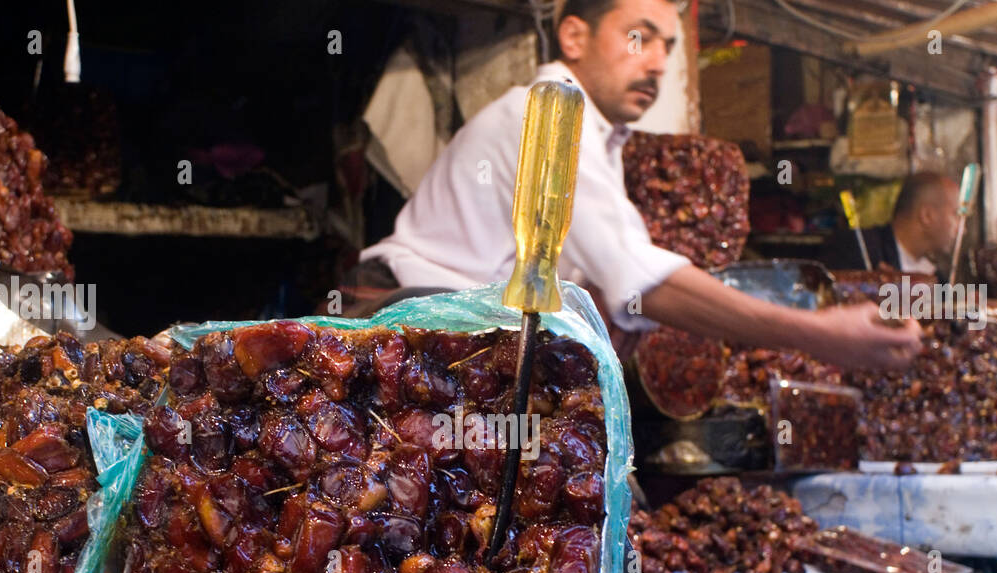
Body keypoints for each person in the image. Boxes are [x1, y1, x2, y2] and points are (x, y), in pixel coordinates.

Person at [359, 0, 921, 369]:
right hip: (407, 331)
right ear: (573, 37)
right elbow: (641, 282)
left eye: (667, 48)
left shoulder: (601, 140)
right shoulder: (544, 115)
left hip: (464, 341)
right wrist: (818, 333)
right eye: (639, 38)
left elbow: (617, 285)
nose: (656, 63)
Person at [829, 172, 960, 282]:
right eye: (956, 214)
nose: (961, 229)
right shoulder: (859, 250)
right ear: (927, 216)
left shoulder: (937, 278)